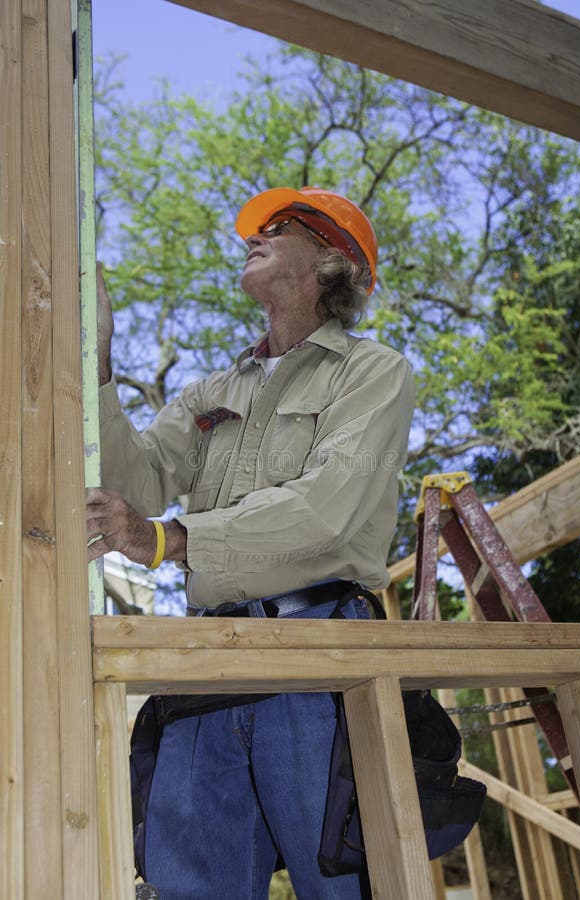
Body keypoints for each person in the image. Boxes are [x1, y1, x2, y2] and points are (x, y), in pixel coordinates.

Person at [87, 186, 415, 899]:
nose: (253, 236)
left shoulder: (372, 372)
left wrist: (170, 541)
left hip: (322, 664)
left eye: (279, 227)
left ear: (332, 260)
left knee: (343, 885)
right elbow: (138, 483)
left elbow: (326, 507)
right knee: (187, 888)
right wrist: (101, 361)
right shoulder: (213, 390)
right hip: (211, 667)